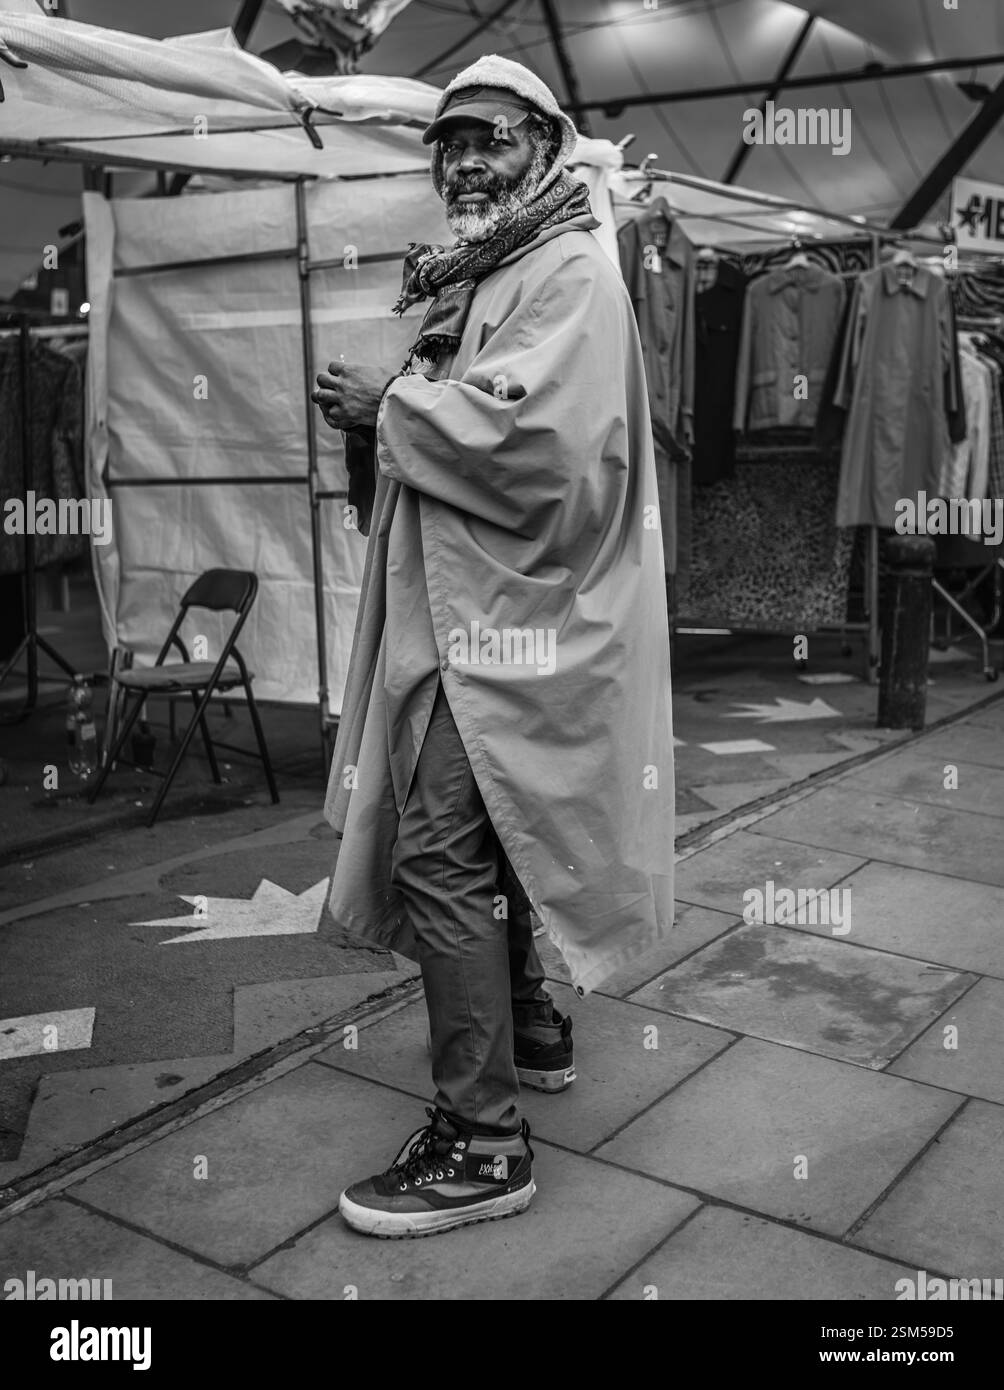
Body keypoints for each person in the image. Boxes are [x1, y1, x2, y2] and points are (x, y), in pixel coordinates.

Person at [312, 54, 675, 1240]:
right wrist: (405, 396)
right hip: (485, 612)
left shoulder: (566, 263)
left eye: (488, 137)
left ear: (544, 142)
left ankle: (480, 1140)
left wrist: (391, 406)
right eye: (446, 140)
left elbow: (542, 444)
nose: (462, 159)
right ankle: (527, 1019)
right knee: (493, 826)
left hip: (515, 627)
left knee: (436, 848)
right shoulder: (501, 262)